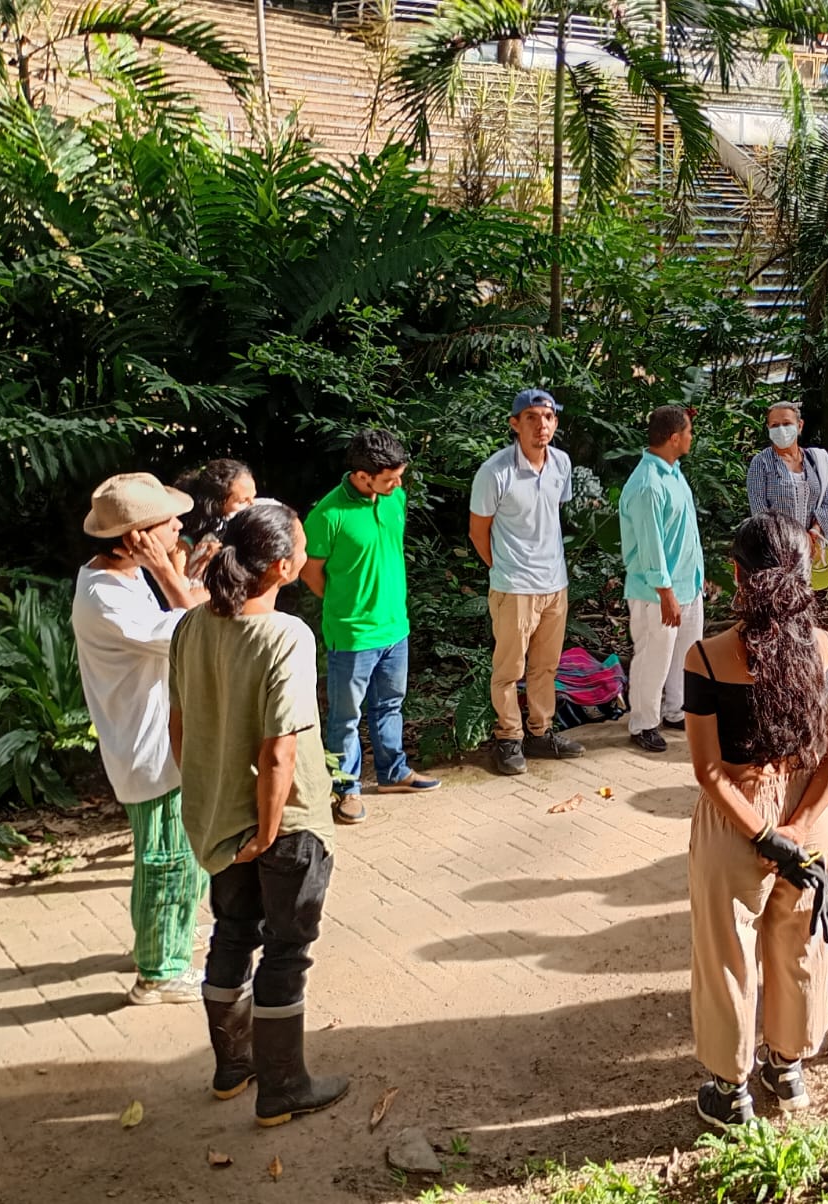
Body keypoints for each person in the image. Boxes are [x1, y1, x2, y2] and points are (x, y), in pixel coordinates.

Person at [169, 503, 348, 1127]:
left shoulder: (191, 626)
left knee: (232, 934)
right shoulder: (286, 636)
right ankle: (282, 1087)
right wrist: (270, 831)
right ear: (279, 566)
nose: (305, 554)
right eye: (300, 548)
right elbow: (280, 752)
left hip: (218, 818)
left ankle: (231, 1069)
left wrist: (211, 791)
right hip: (286, 823)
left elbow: (179, 728)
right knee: (287, 949)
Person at [684, 513, 828, 1127]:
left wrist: (763, 836)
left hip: (738, 817)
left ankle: (729, 1092)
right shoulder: (827, 648)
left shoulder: (707, 658)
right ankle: (787, 1068)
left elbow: (708, 772)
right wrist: (800, 828)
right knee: (801, 940)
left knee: (728, 951)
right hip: (811, 810)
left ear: (736, 574)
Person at [72, 472, 210, 1007]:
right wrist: (165, 569)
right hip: (149, 753)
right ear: (135, 539)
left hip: (157, 743)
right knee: (169, 860)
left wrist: (170, 568)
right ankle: (160, 971)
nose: (179, 525)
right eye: (166, 522)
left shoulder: (113, 577)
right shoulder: (110, 597)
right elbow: (199, 627)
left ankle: (162, 941)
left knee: (175, 854)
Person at [301, 430, 440, 824]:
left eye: (399, 477)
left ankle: (394, 772)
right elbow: (311, 574)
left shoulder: (395, 498)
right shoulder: (327, 515)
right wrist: (349, 606)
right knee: (346, 716)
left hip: (396, 628)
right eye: (390, 478)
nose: (398, 485)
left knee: (390, 705)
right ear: (362, 476)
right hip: (353, 635)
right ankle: (346, 789)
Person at [469, 389, 585, 776]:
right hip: (514, 586)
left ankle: (540, 731)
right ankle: (508, 738)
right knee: (508, 669)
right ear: (515, 424)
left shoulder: (561, 464)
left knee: (545, 666)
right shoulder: (494, 471)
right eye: (532, 417)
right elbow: (477, 531)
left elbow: (552, 514)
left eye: (549, 417)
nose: (542, 425)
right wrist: (500, 569)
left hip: (555, 584)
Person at [620, 406, 705, 755]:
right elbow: (652, 547)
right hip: (657, 593)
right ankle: (643, 722)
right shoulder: (647, 486)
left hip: (687, 586)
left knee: (684, 656)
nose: (690, 437)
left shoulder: (673, 471)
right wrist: (665, 591)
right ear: (674, 439)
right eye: (687, 432)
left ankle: (675, 710)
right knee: (652, 658)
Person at [745, 402, 828, 546]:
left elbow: (827, 500)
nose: (781, 430)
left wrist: (816, 529)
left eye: (787, 423)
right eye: (775, 425)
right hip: (777, 547)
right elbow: (760, 513)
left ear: (800, 425)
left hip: (813, 546)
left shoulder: (816, 460)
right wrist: (789, 541)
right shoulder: (761, 463)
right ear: (768, 428)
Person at [173, 459, 257, 587]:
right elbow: (181, 591)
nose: (252, 506)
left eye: (253, 497)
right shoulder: (184, 543)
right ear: (217, 504)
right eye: (242, 501)